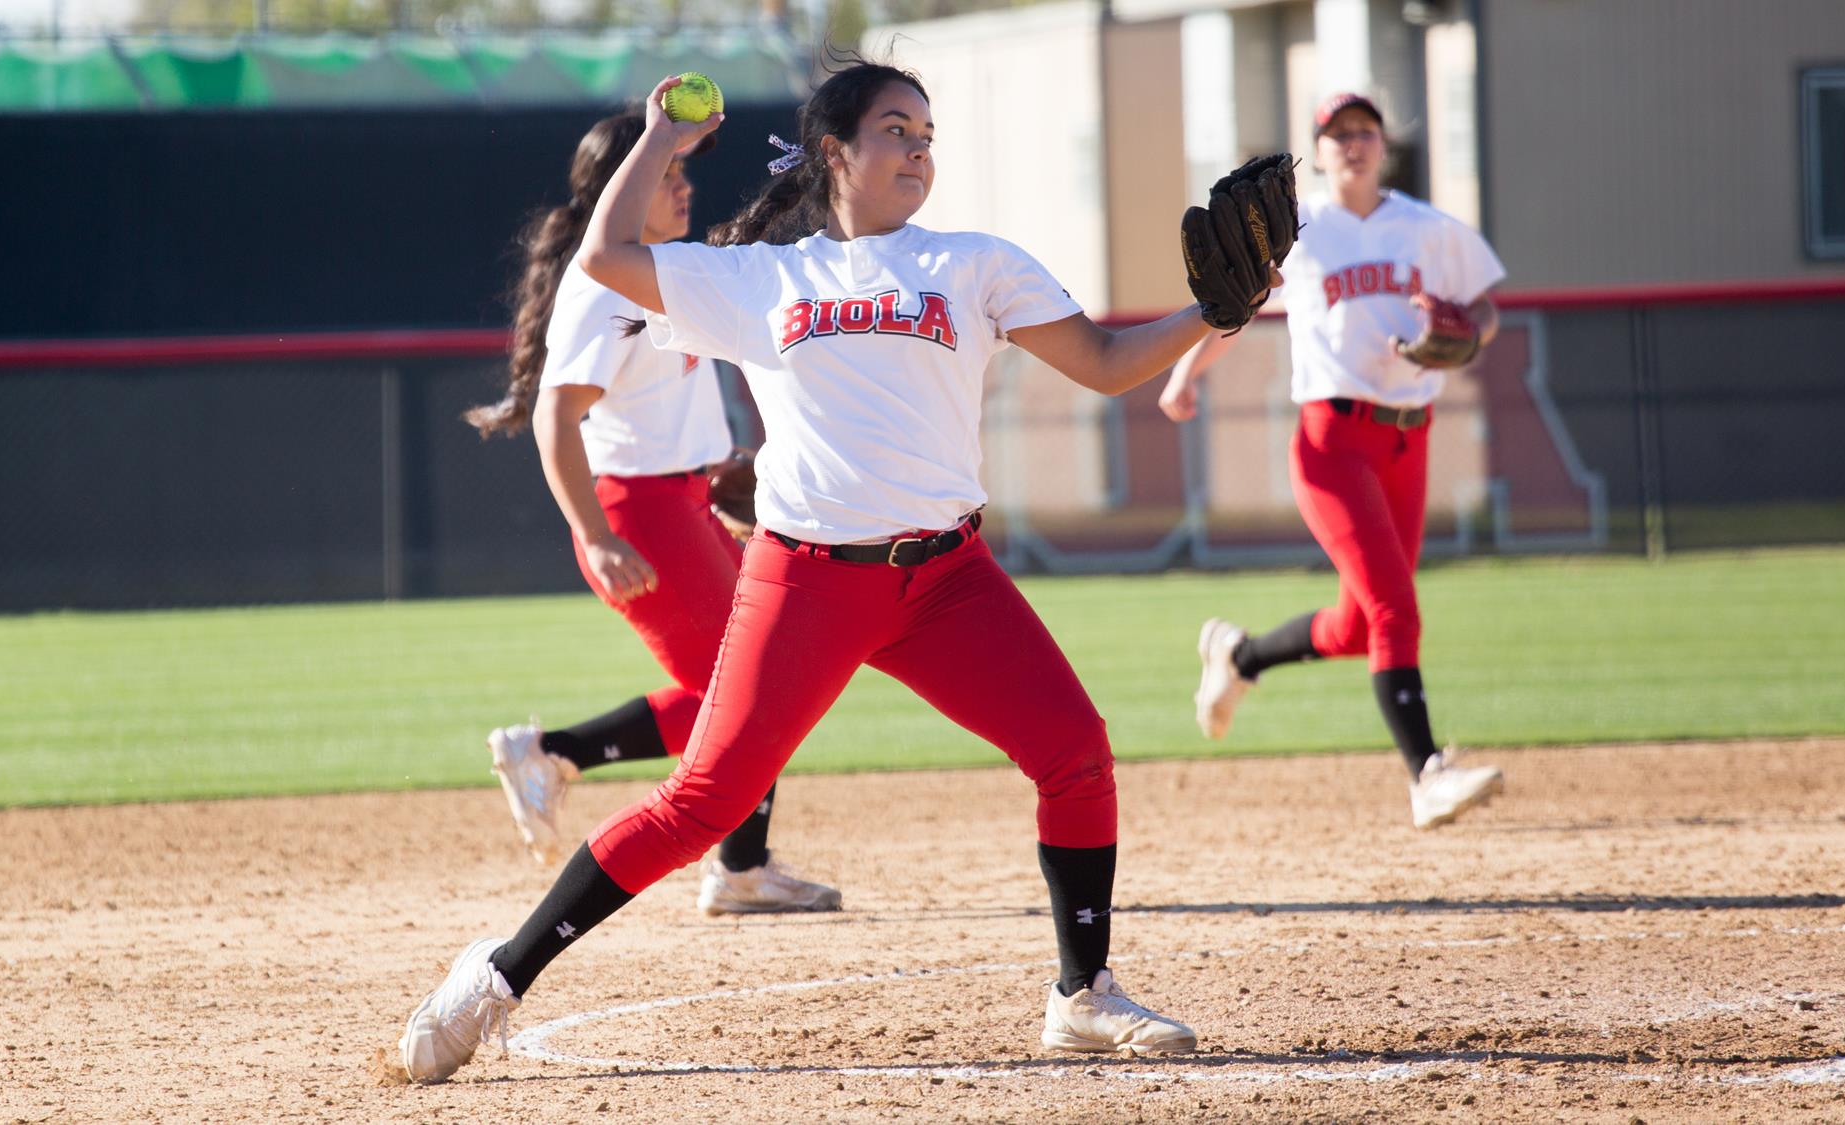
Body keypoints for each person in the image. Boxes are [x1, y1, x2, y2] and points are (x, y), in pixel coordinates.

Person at [400, 60, 1238, 1082]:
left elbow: (1106, 364)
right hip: (805, 583)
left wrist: (1213, 313)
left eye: (927, 131)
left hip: (946, 581)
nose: (920, 146)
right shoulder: (762, 278)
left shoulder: (973, 263)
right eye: (895, 128)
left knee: (1073, 751)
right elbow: (611, 254)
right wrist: (662, 135)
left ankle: (1082, 996)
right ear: (835, 150)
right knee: (701, 804)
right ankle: (494, 975)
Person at [462, 111, 840, 915]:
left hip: (685, 499)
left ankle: (574, 766)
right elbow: (555, 420)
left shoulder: (661, 271)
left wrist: (723, 471)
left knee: (759, 678)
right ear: (618, 190)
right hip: (638, 512)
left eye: (677, 170)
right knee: (755, 684)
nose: (684, 183)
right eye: (666, 172)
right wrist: (595, 537)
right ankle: (719, 856)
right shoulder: (605, 288)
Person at [1159, 92, 1506, 830]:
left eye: (1364, 131)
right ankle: (1427, 774)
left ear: (1384, 145)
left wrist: (1469, 332)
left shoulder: (1426, 227)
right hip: (1332, 442)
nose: (1352, 142)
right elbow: (1241, 306)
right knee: (1394, 609)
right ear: (1317, 151)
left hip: (1408, 437)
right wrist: (1188, 374)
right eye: (1336, 133)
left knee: (1359, 625)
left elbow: (1484, 306)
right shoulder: (1302, 230)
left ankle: (1240, 656)